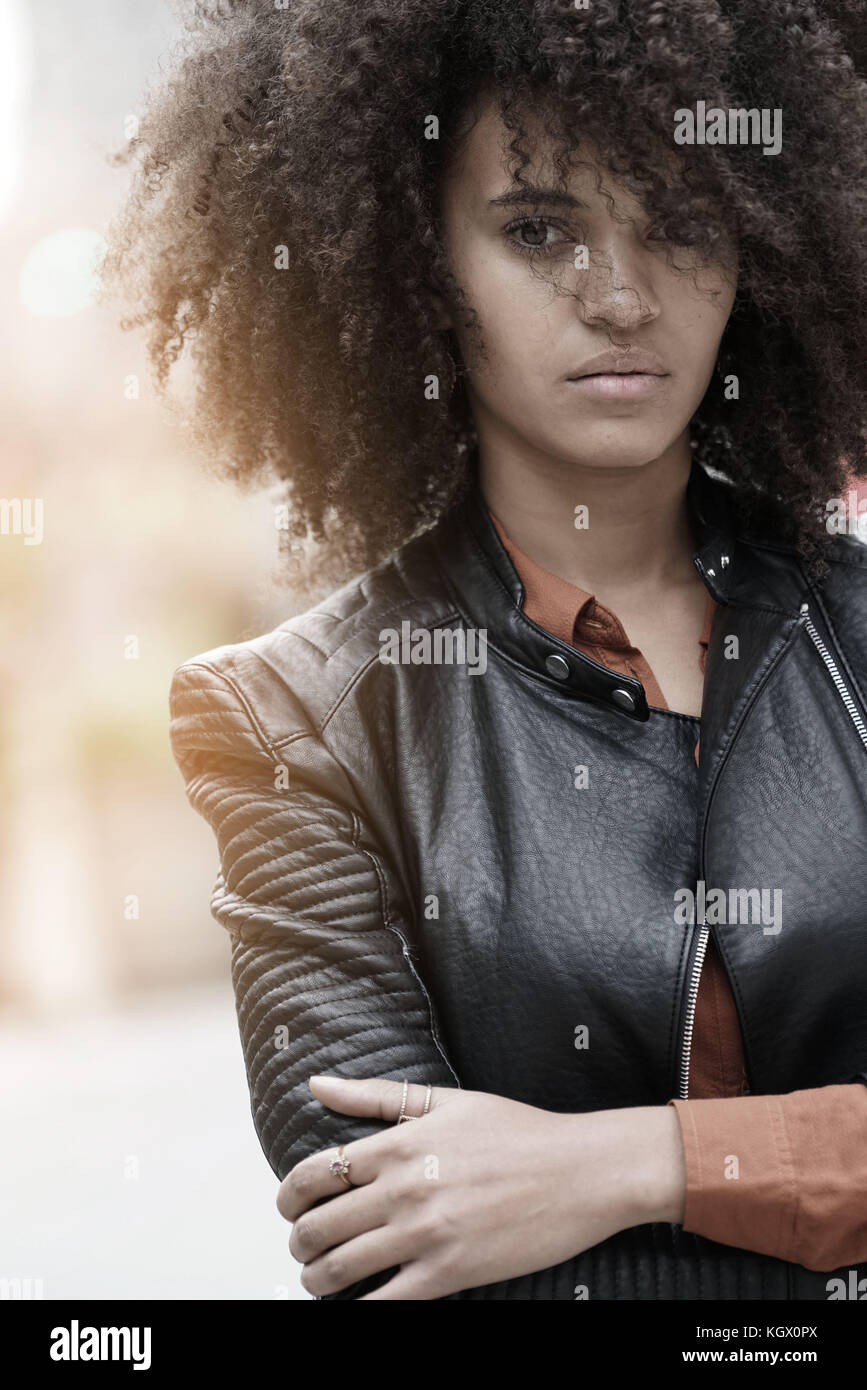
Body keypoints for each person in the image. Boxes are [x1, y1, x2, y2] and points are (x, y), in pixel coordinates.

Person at [103, 0, 867, 1300]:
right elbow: (389, 1221)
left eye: (683, 221)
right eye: (538, 230)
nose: (622, 296)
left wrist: (632, 1165)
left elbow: (529, 1215)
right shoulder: (294, 722)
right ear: (412, 263)